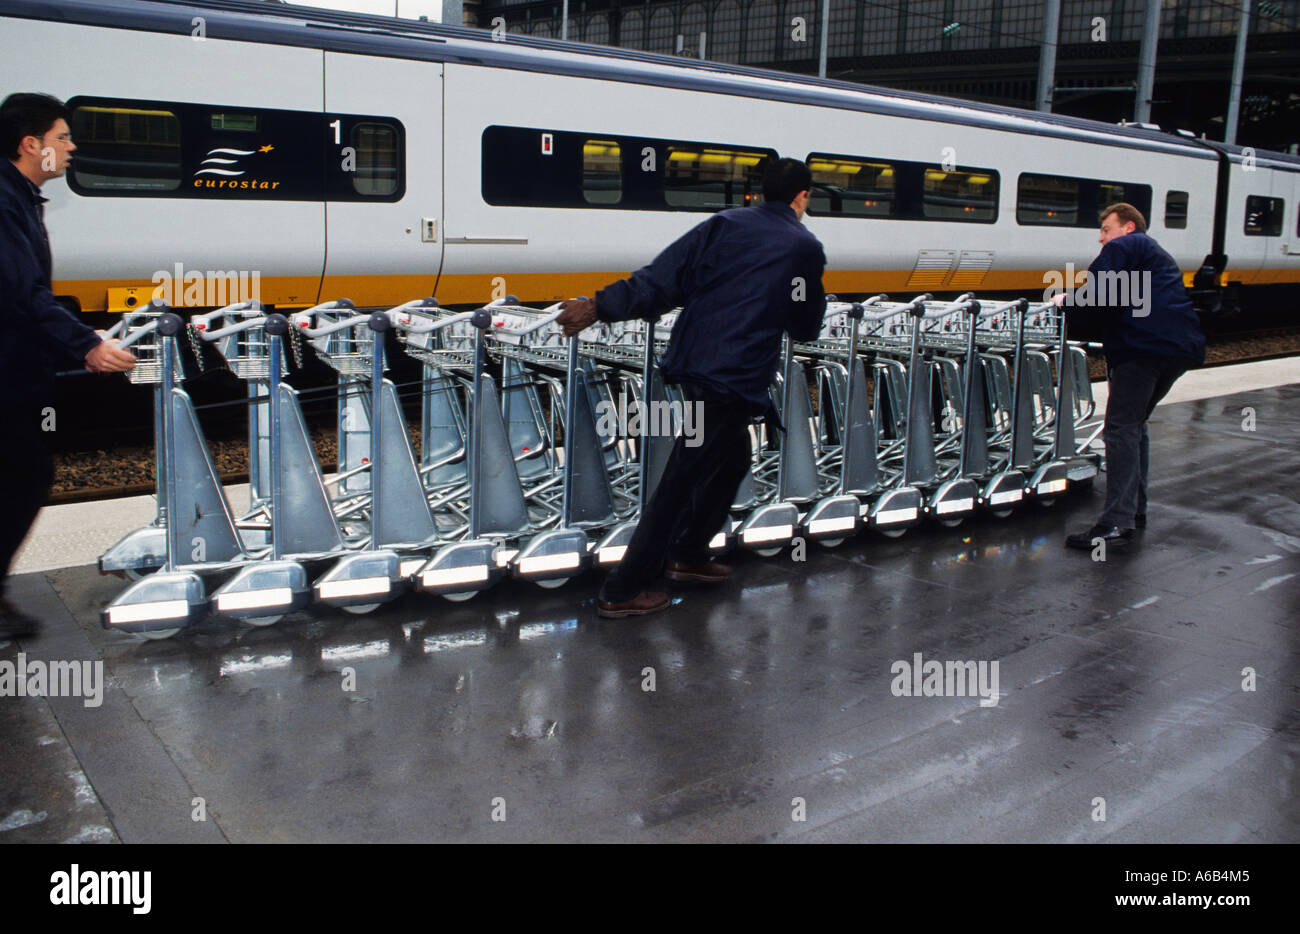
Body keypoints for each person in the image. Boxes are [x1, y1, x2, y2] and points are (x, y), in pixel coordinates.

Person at [557, 157, 827, 618]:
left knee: (732, 457)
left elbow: (662, 279)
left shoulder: (723, 225)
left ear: (763, 192)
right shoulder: (803, 247)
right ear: (803, 196)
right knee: (682, 478)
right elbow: (805, 325)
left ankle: (689, 554)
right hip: (732, 376)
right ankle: (623, 590)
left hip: (698, 364)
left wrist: (601, 305)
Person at [0, 93, 137, 637]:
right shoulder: (5, 199)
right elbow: (17, 291)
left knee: (23, 473)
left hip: (14, 369)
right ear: (31, 145)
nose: (71, 146)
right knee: (25, 473)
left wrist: (85, 333)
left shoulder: (20, 196)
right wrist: (84, 346)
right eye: (62, 137)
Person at [1055, 202, 1205, 551]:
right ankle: (1134, 510)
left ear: (1128, 227)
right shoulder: (1156, 255)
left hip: (1143, 350)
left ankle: (1114, 523)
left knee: (1120, 429)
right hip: (1177, 350)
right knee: (1134, 425)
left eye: (1106, 229)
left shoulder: (1127, 245)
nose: (1101, 238)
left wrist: (1066, 301)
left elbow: (1099, 293)